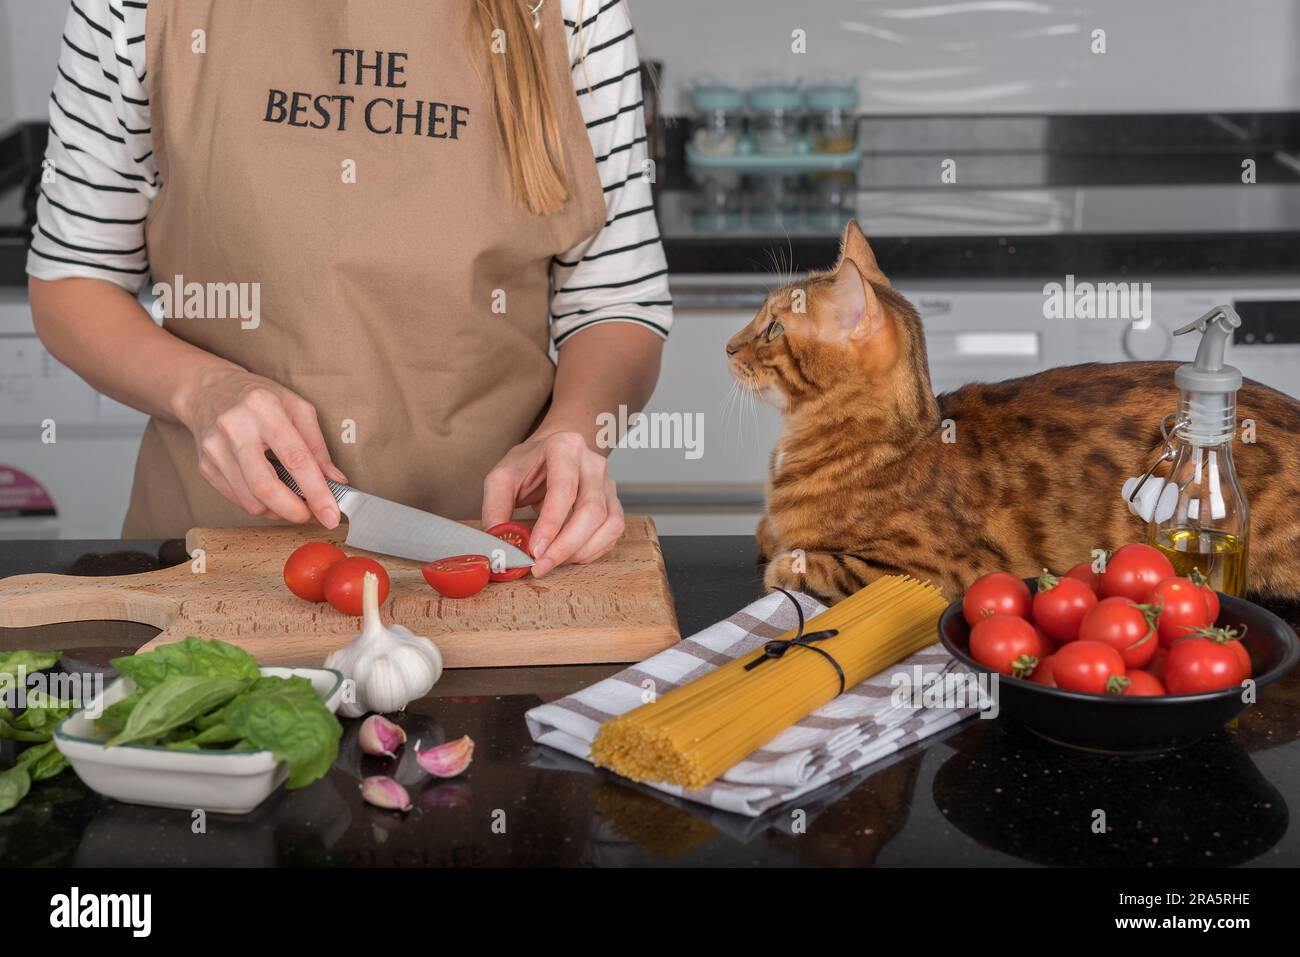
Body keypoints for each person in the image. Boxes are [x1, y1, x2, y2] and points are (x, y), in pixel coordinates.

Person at [27, 0, 671, 577]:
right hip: (209, 565)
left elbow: (616, 298)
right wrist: (203, 392)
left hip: (494, 562)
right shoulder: (134, 7)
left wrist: (576, 431)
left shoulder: (574, 12)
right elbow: (74, 282)